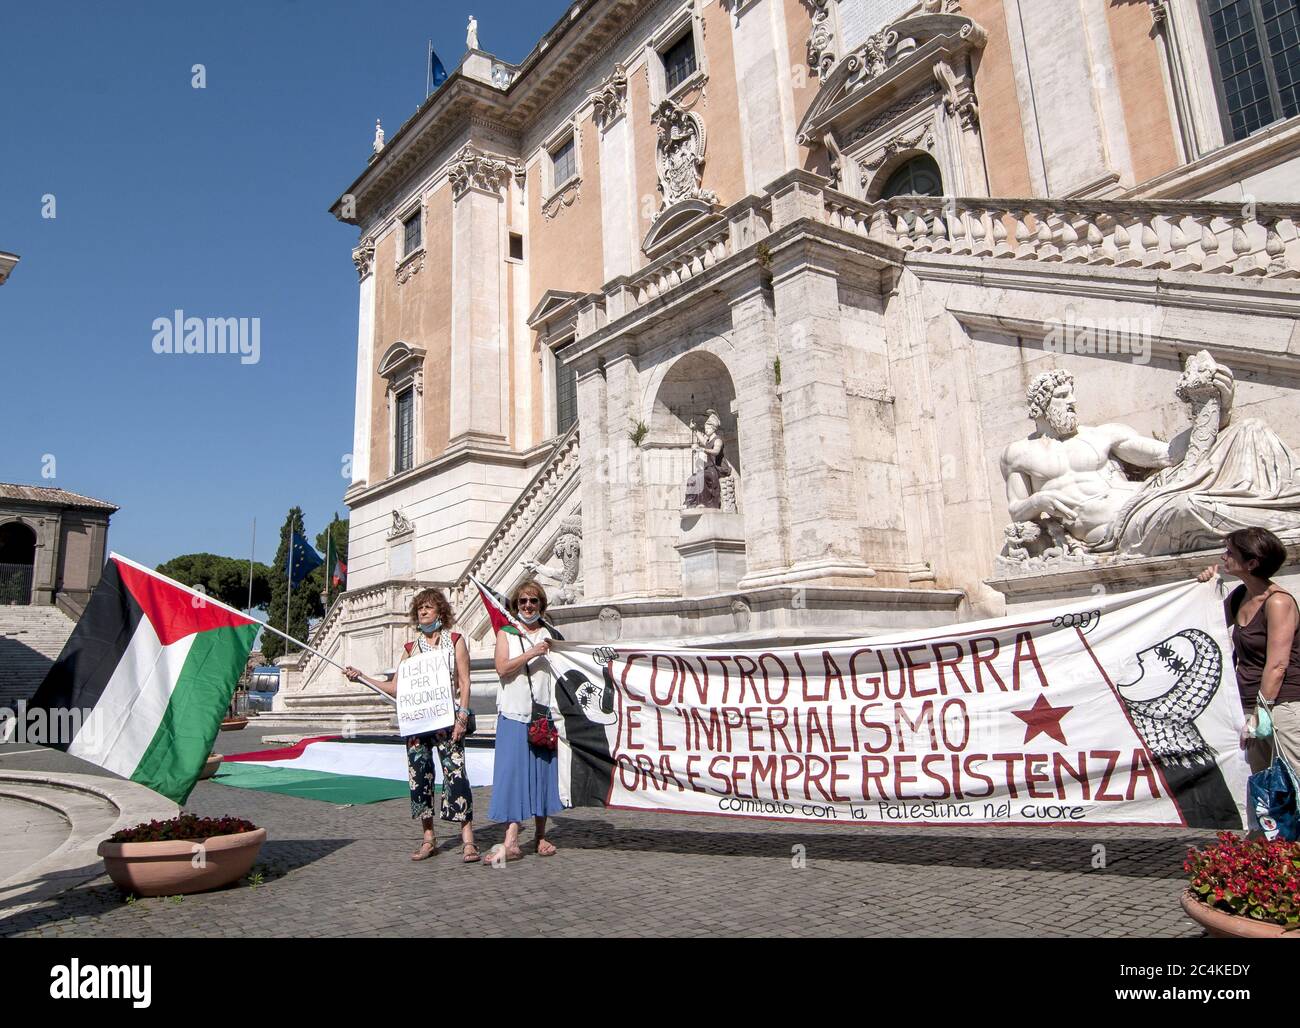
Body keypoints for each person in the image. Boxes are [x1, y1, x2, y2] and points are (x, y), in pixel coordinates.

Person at [344, 587, 479, 863]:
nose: (423, 612)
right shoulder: (410, 649)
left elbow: (464, 682)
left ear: (440, 611)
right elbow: (395, 688)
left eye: (428, 608)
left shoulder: (455, 641)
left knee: (456, 775)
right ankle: (428, 838)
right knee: (419, 778)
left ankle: (468, 840)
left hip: (448, 720)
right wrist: (363, 678)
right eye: (419, 609)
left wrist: (463, 716)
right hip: (418, 724)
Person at [1198, 527, 1300, 781]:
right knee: (1266, 787)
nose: (1224, 557)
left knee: (1295, 780)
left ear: (1251, 563)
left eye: (1230, 552)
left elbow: (1277, 665)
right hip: (1252, 704)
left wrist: (1260, 715)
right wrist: (1206, 589)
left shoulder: (1278, 602)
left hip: (1282, 706)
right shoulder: (1241, 596)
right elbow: (1207, 626)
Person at [486, 579, 563, 861]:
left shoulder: (551, 635)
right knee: (512, 775)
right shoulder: (507, 633)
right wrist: (531, 652)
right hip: (513, 712)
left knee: (543, 775)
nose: (528, 606)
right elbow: (502, 668)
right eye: (523, 601)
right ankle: (512, 838)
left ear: (541, 604)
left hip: (544, 713)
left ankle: (541, 837)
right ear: (515, 605)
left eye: (533, 601)